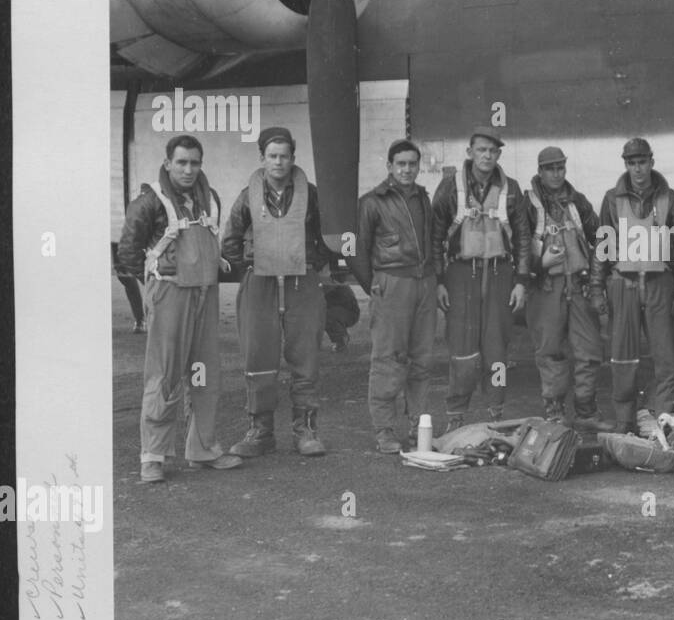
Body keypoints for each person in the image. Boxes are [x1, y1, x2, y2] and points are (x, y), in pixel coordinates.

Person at [117, 135, 242, 483]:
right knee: (165, 374)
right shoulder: (148, 202)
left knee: (204, 372)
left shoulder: (210, 199)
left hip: (205, 292)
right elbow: (127, 256)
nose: (188, 169)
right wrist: (155, 292)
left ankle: (203, 449)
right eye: (182, 162)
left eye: (195, 163)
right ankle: (153, 456)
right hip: (170, 293)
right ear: (168, 162)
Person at [221, 127, 332, 457]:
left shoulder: (310, 194)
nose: (279, 162)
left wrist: (313, 264)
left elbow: (327, 235)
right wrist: (251, 269)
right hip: (261, 280)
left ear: (293, 158)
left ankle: (305, 430)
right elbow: (230, 239)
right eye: (272, 156)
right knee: (258, 355)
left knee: (306, 355)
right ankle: (261, 431)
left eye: (285, 156)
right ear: (262, 159)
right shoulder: (248, 195)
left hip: (302, 279)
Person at [430, 127, 531, 432]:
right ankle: (456, 415)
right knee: (462, 351)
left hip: (500, 274)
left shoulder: (511, 188)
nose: (487, 156)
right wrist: (439, 281)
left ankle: (496, 414)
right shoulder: (450, 188)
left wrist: (522, 281)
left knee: (497, 350)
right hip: (461, 275)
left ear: (499, 155)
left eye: (493, 151)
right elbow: (435, 236)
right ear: (470, 152)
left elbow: (523, 236)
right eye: (482, 150)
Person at [589, 138, 674, 433]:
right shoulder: (611, 199)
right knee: (623, 358)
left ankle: (661, 418)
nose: (638, 168)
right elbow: (602, 248)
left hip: (660, 283)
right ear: (626, 165)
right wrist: (597, 288)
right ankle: (625, 422)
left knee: (666, 358)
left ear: (651, 161)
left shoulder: (671, 198)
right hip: (624, 284)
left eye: (642, 162)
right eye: (632, 163)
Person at [353, 140, 439, 453]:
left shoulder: (423, 198)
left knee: (422, 359)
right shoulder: (372, 201)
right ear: (389, 166)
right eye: (400, 164)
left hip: (424, 283)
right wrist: (373, 285)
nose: (406, 169)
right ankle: (385, 430)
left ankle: (419, 423)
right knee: (388, 358)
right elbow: (355, 249)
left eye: (412, 164)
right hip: (391, 284)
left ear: (418, 166)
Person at [524, 146, 613, 431]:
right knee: (550, 351)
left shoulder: (578, 202)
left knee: (588, 349)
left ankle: (586, 410)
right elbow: (518, 246)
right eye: (550, 168)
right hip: (545, 286)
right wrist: (540, 263)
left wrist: (596, 280)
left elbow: (602, 239)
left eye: (560, 167)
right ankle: (555, 410)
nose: (556, 173)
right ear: (540, 171)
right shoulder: (527, 205)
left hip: (579, 284)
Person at [112, 241, 146, 333]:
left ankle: (164, 318)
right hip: (115, 238)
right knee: (125, 277)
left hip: (133, 236)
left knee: (144, 274)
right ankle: (140, 320)